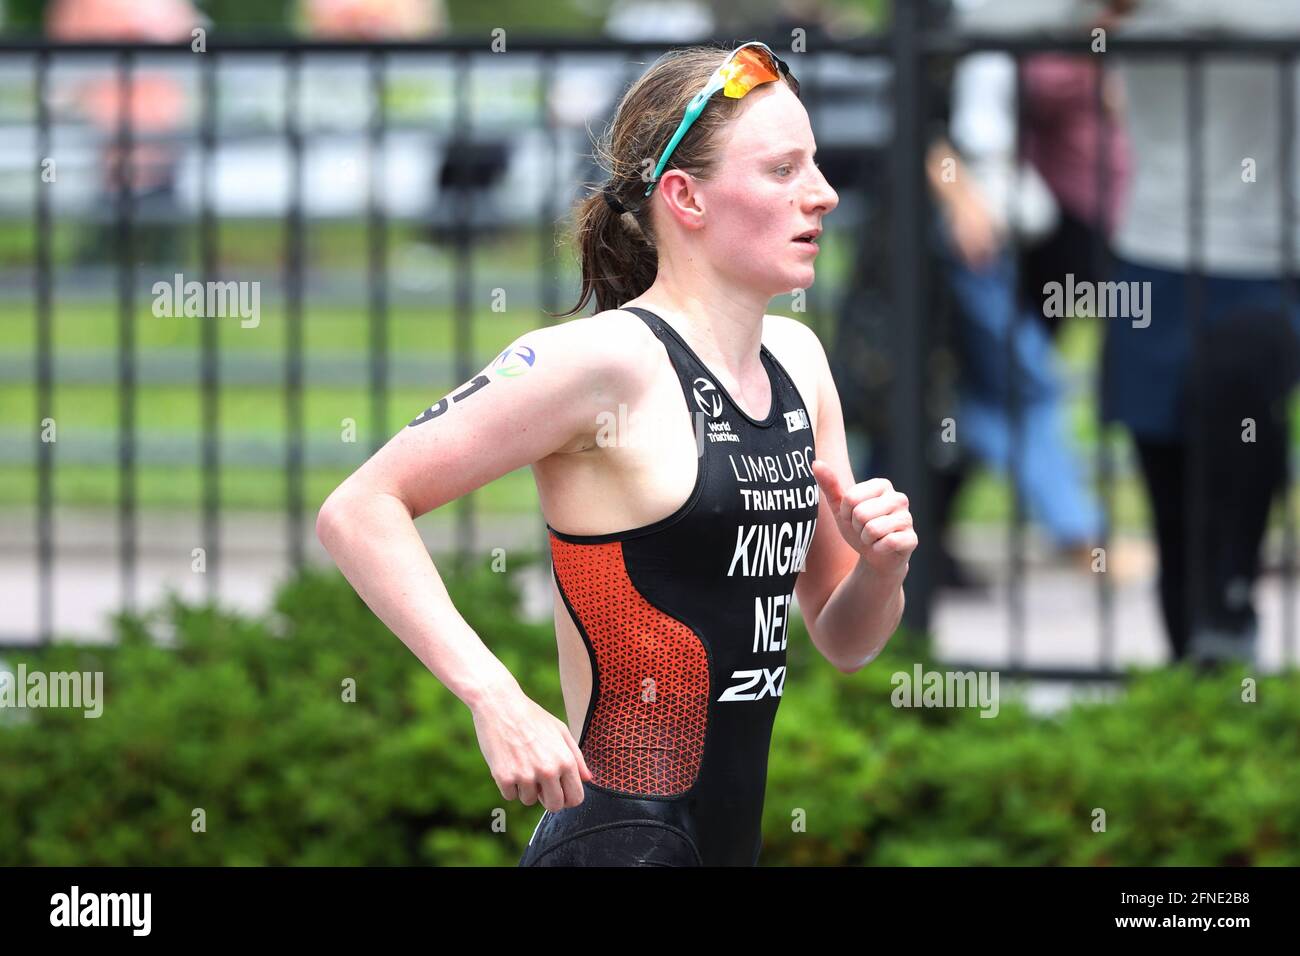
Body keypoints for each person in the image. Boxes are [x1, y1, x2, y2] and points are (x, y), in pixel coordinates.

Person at [315, 42, 917, 867]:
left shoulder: (799, 363)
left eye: (814, 164)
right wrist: (493, 697)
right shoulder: (599, 364)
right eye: (782, 170)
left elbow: (844, 640)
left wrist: (881, 567)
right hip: (618, 840)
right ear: (686, 197)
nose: (823, 193)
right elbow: (359, 509)